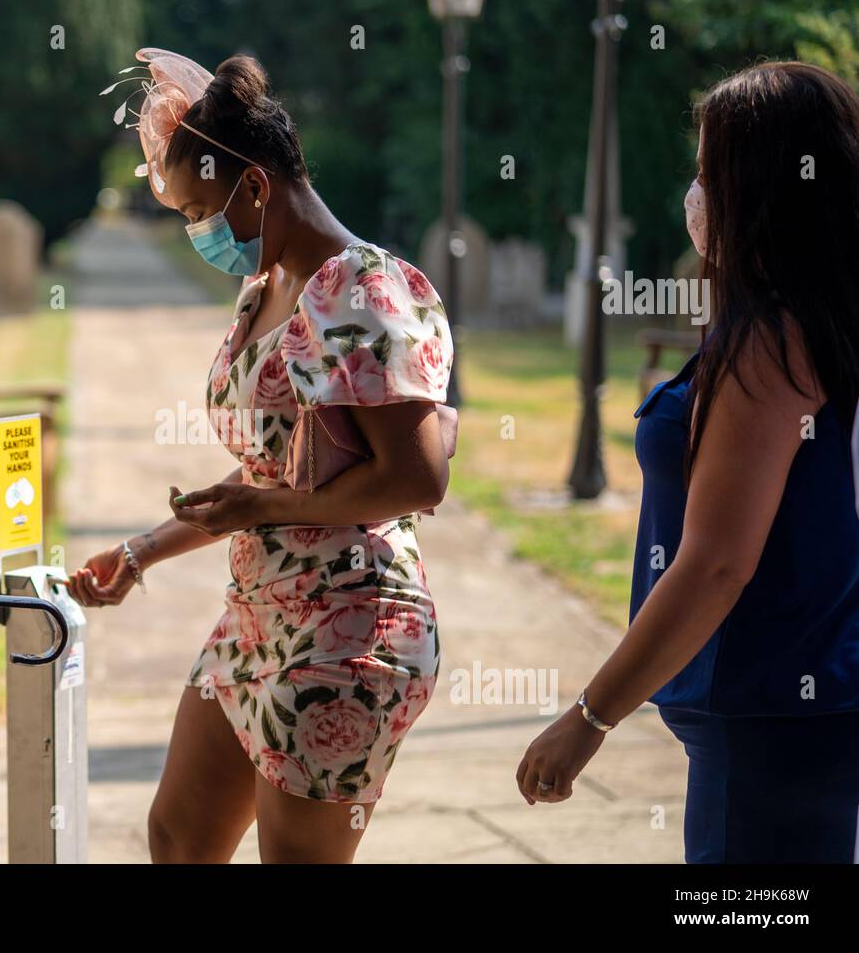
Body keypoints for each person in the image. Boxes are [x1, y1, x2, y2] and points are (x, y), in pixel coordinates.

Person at [72, 49, 456, 863]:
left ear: (253, 186)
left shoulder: (362, 288)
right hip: (257, 616)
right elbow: (266, 479)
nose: (197, 230)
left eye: (200, 208)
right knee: (178, 838)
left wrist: (267, 507)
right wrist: (142, 554)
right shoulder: (264, 289)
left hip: (351, 627)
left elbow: (419, 477)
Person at [517, 61, 859, 863]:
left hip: (769, 719)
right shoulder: (810, 319)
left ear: (758, 187)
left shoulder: (771, 342)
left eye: (709, 172)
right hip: (793, 708)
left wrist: (589, 718)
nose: (696, 194)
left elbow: (715, 567)